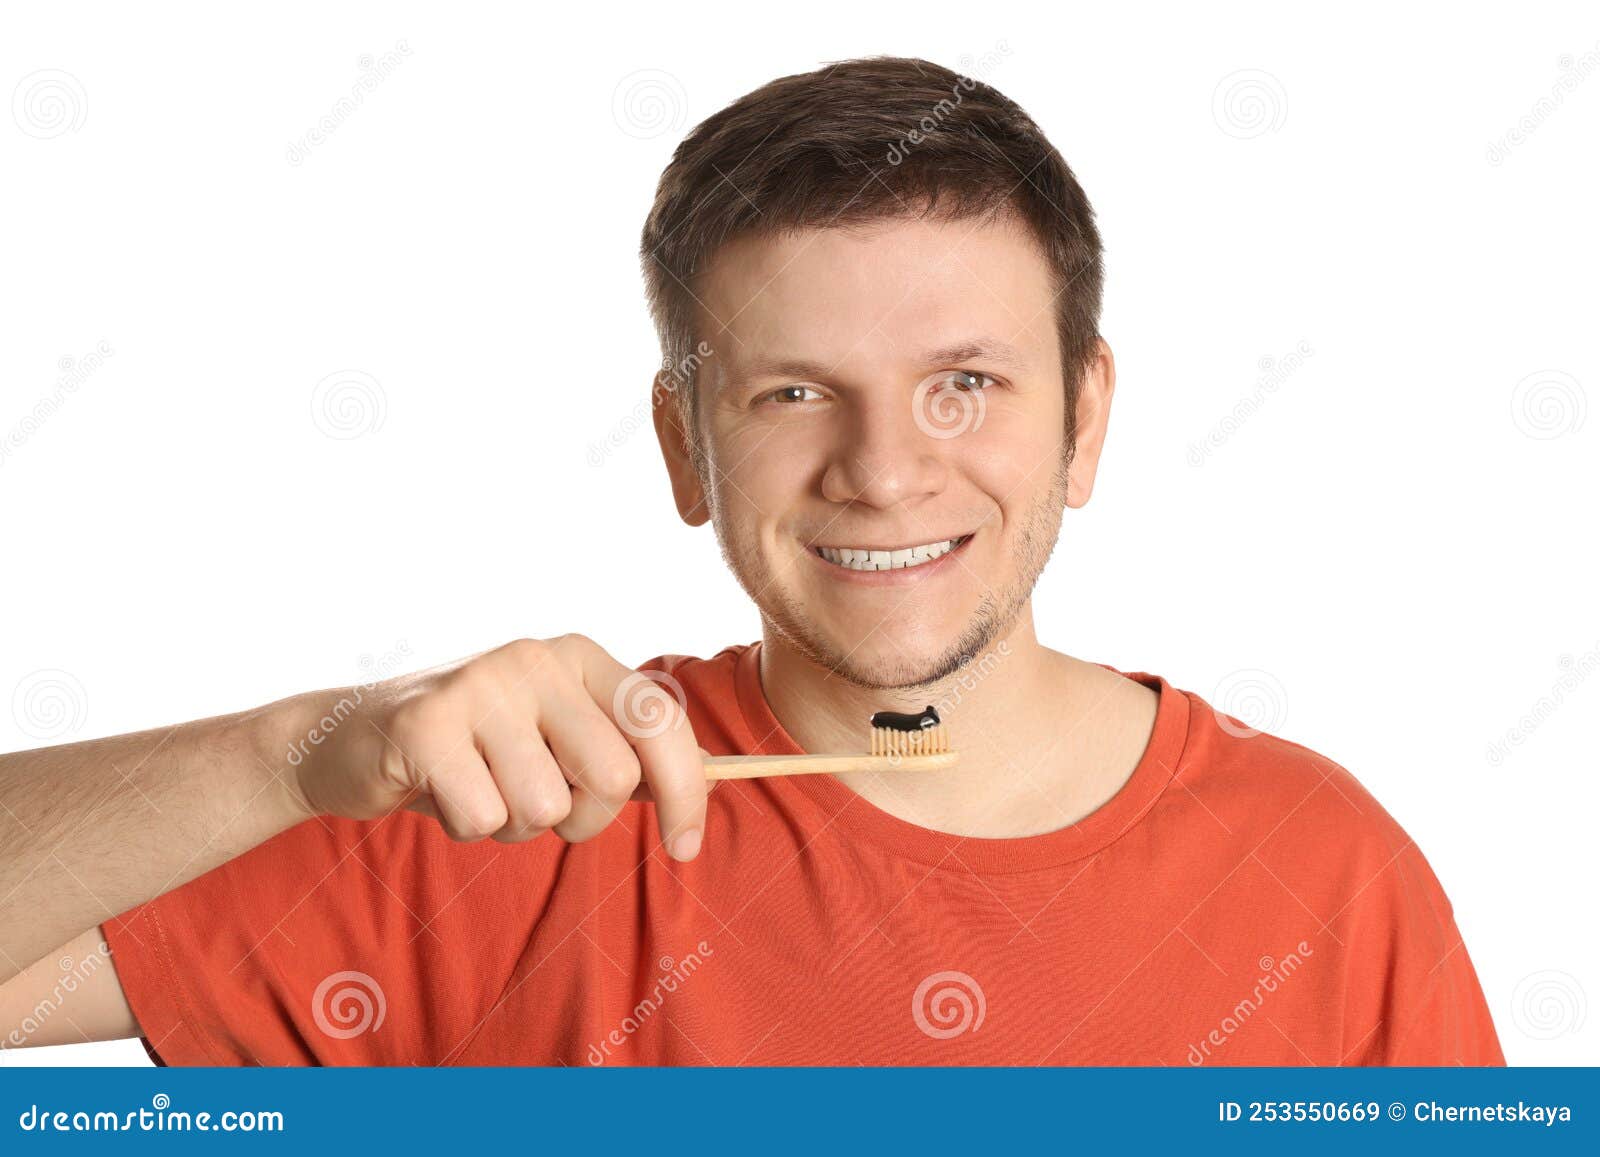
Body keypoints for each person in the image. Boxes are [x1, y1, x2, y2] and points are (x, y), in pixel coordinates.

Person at [0, 56, 1501, 1066]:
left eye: (964, 381)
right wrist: (290, 754)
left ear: (1085, 414)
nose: (886, 469)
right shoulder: (518, 810)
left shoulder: (1322, 870)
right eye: (793, 392)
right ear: (683, 443)